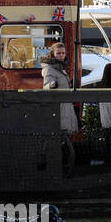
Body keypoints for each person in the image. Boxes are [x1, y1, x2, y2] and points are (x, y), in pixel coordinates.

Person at [40, 41, 77, 170]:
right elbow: (47, 85)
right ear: (53, 54)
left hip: (65, 108)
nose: (61, 55)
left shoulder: (61, 68)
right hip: (58, 109)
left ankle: (58, 166)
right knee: (57, 138)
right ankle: (51, 165)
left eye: (63, 53)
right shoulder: (50, 69)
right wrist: (52, 85)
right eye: (58, 53)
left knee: (61, 138)